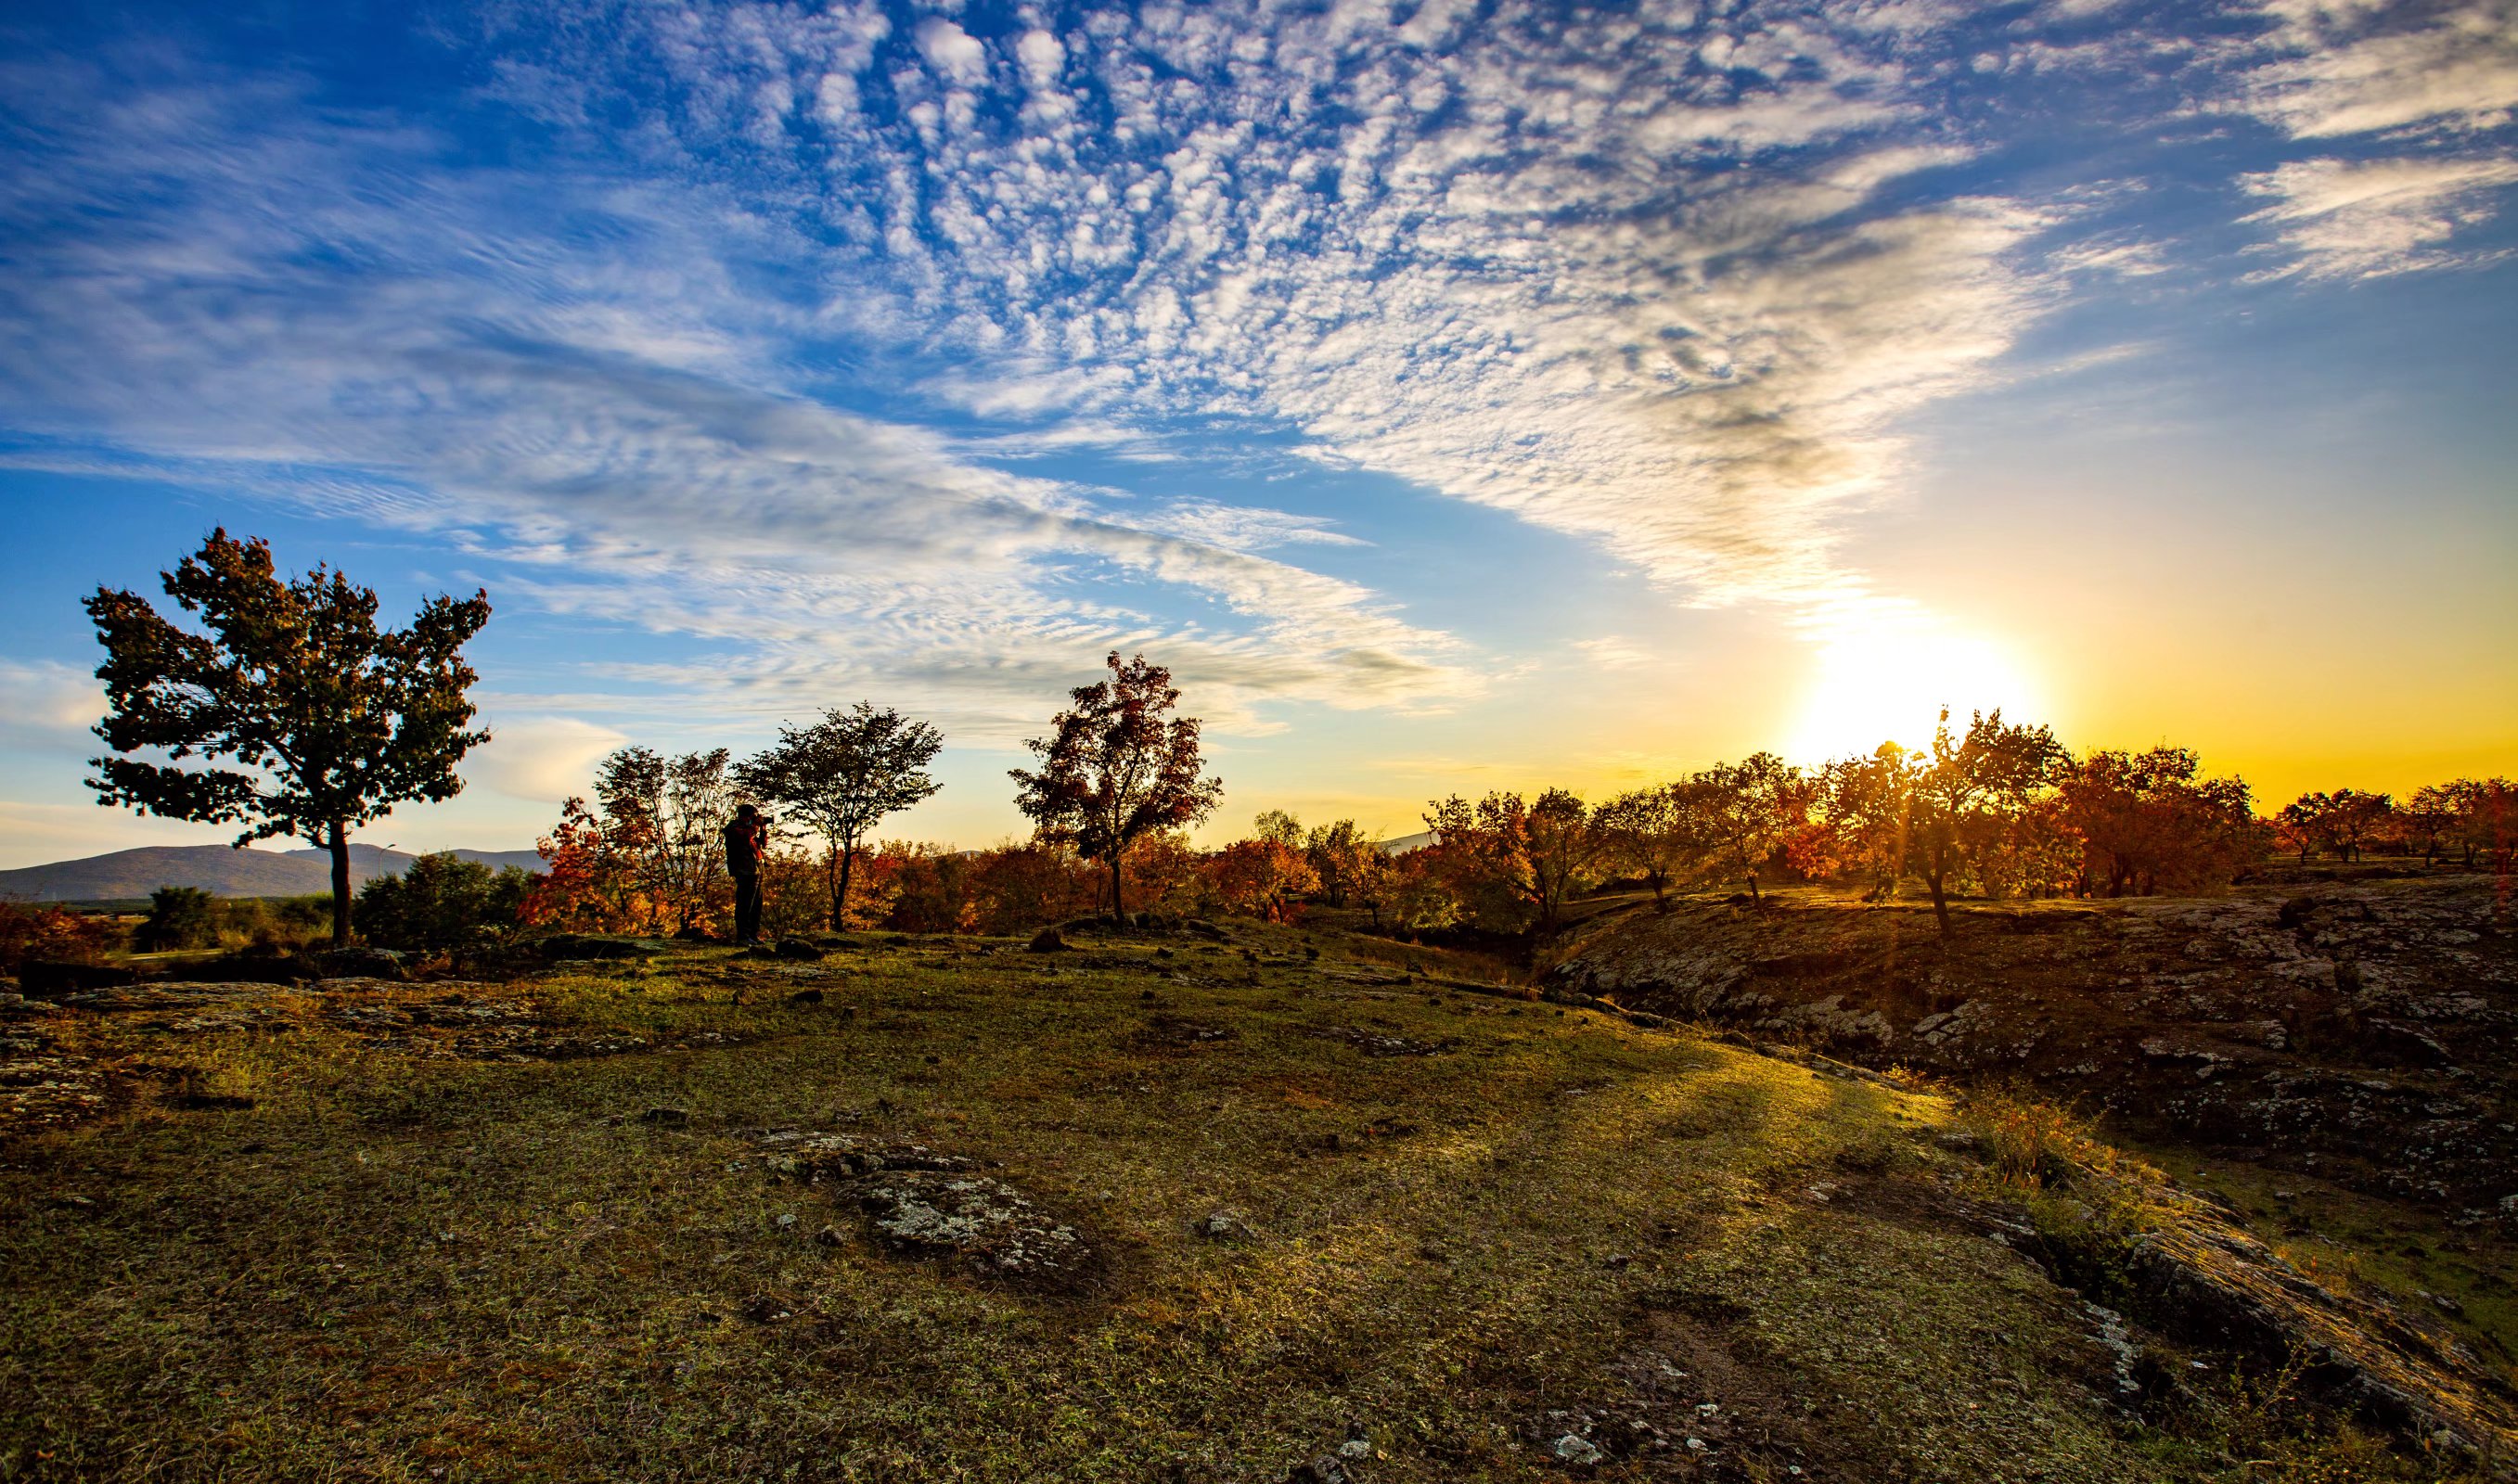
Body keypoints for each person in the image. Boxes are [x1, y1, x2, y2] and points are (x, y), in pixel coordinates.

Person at [725, 802, 766, 945]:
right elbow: (745, 838)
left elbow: (761, 844)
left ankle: (753, 934)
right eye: (754, 817)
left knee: (756, 904)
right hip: (745, 869)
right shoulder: (734, 828)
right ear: (746, 816)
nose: (756, 820)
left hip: (757, 867)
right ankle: (743, 936)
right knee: (745, 903)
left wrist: (763, 829)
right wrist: (754, 826)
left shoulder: (749, 828)